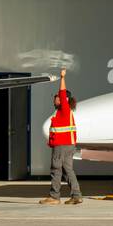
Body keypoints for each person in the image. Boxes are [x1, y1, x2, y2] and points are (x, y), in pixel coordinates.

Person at [41, 69, 80, 206]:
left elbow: (62, 93)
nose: (55, 98)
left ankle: (54, 197)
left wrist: (62, 77)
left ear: (64, 100)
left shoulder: (64, 108)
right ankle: (76, 195)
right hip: (68, 145)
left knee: (56, 169)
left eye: (57, 97)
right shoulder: (63, 112)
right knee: (67, 170)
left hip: (62, 146)